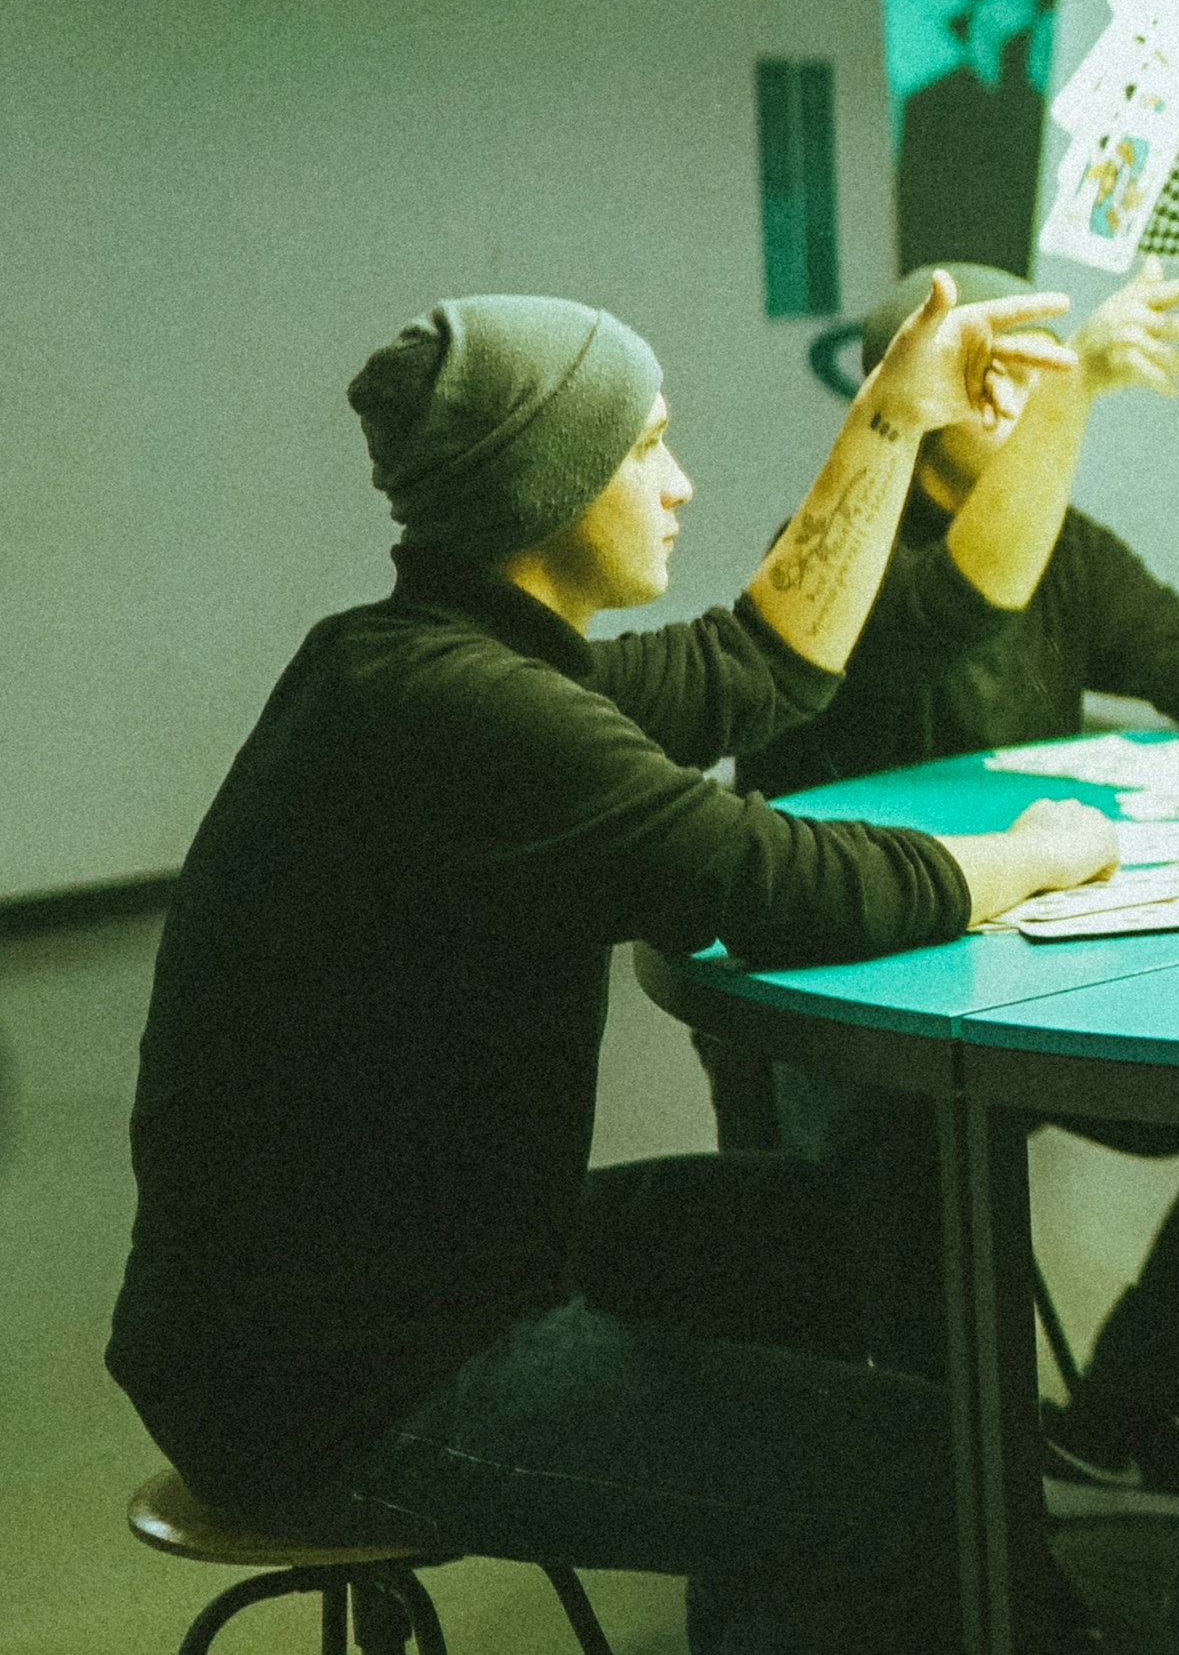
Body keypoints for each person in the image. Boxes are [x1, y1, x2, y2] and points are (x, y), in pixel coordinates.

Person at [112, 280, 1123, 1655]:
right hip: (345, 1386)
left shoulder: (425, 661)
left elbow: (754, 668)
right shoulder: (468, 714)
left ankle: (782, 1613)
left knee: (826, 1229)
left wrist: (895, 417)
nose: (682, 483)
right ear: (551, 484)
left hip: (376, 1290)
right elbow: (782, 887)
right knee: (918, 1455)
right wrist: (1038, 857)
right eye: (646, 448)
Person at [730, 260, 1179, 1516]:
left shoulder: (1067, 552)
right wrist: (1083, 381)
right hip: (857, 980)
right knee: (918, 1152)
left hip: (1028, 942)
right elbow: (957, 603)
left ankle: (1132, 1408)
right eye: (1010, 389)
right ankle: (966, 1517)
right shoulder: (835, 553)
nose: (1032, 415)